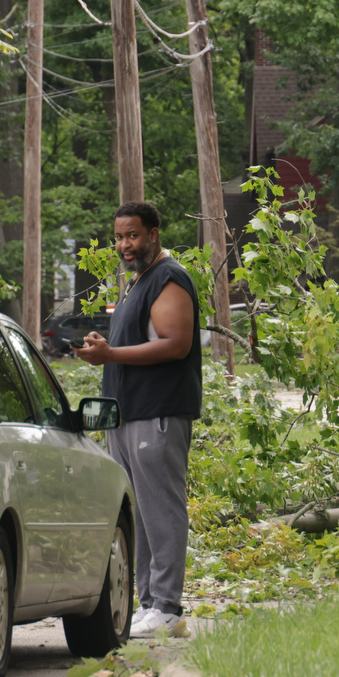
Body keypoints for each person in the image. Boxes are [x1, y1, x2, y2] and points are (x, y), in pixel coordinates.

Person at [76, 202, 199, 639]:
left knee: (161, 508)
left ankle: (168, 606)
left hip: (158, 412)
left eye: (132, 235)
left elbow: (177, 343)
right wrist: (105, 347)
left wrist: (111, 354)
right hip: (127, 415)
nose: (124, 245)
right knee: (140, 512)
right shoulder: (137, 280)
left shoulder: (168, 277)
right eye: (119, 237)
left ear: (153, 234)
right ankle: (150, 604)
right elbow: (135, 343)